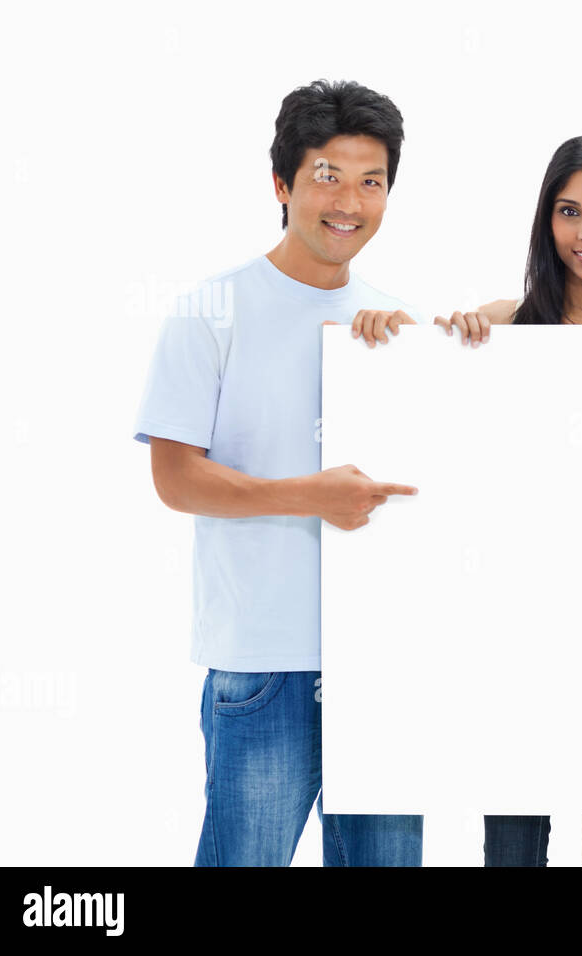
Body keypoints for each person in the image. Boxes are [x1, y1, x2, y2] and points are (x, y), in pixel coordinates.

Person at [133, 79, 425, 866]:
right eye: (328, 176)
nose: (349, 203)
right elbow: (175, 478)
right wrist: (311, 497)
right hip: (263, 662)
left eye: (372, 182)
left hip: (385, 662)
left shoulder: (393, 322)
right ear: (281, 184)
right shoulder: (212, 311)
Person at [434, 131, 582, 865]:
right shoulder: (504, 327)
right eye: (569, 212)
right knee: (511, 846)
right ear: (547, 221)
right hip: (517, 628)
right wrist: (420, 344)